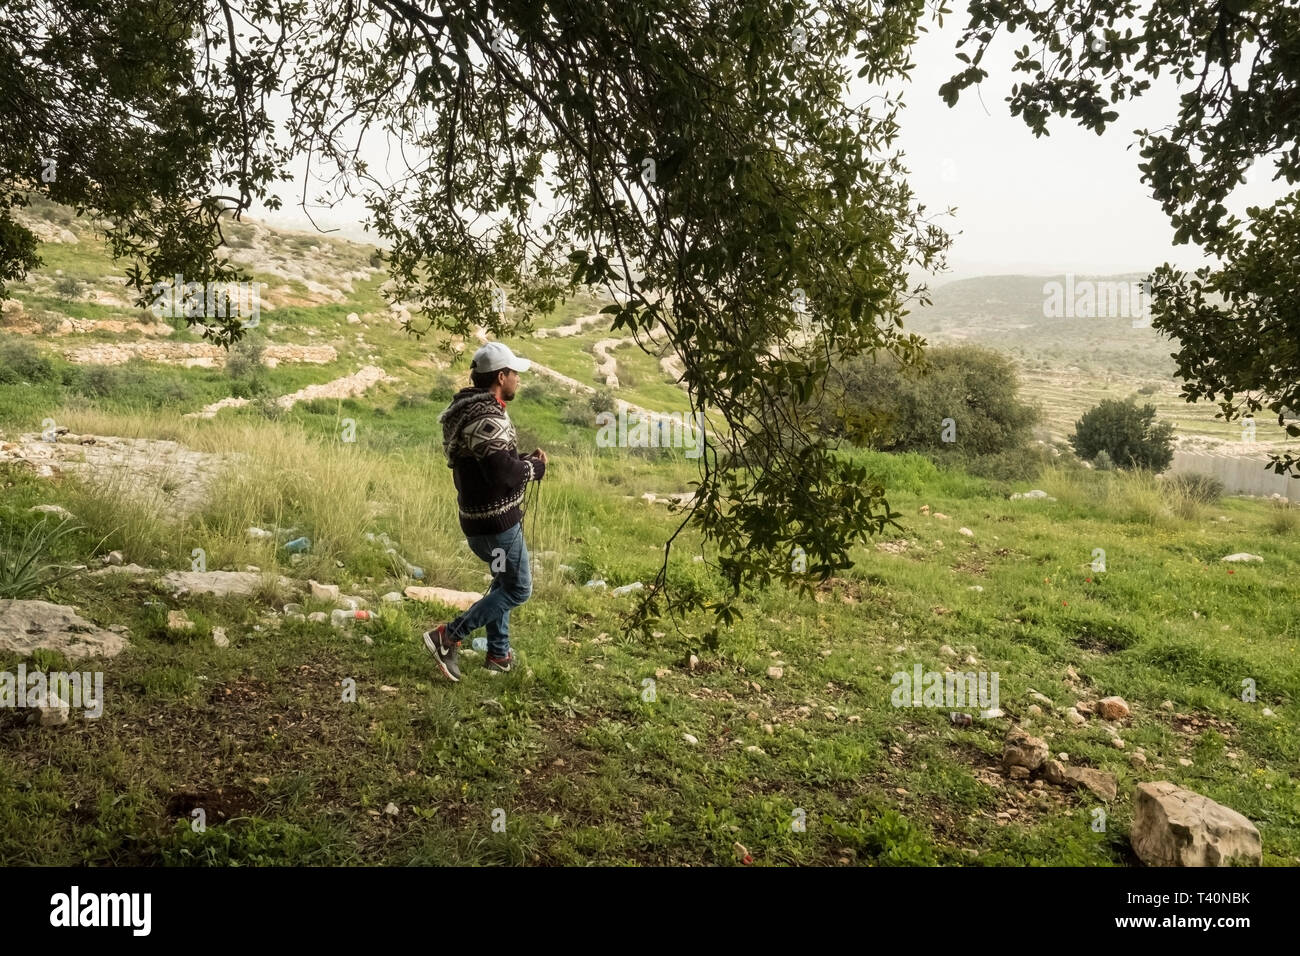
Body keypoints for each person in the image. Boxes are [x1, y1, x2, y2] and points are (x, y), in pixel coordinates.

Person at [422, 342, 548, 682]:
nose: (518, 380)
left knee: (502, 582)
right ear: (501, 376)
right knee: (519, 589)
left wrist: (521, 460)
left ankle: (498, 654)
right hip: (497, 524)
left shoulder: (468, 411)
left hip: (477, 520)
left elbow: (491, 464)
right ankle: (447, 636)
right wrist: (534, 468)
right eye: (515, 374)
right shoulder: (488, 416)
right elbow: (502, 475)